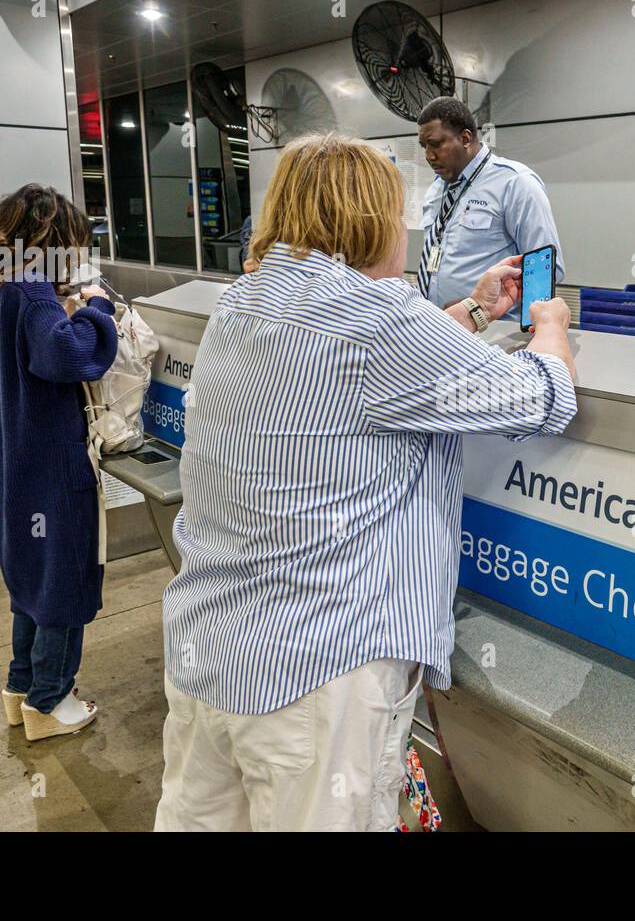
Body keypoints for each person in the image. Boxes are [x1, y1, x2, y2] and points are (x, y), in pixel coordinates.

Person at [155, 133, 578, 832]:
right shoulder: (378, 319)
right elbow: (540, 396)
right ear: (371, 216)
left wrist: (473, 311)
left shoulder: (244, 301)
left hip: (210, 652)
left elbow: (365, 375)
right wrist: (550, 324)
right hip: (319, 678)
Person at [0, 184, 118, 742]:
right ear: (50, 241)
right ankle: (51, 702)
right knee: (63, 580)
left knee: (29, 575)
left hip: (6, 456)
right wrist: (96, 308)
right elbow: (70, 357)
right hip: (50, 461)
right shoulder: (31, 291)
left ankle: (20, 686)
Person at [416, 96, 564, 310]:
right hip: (438, 326)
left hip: (491, 331)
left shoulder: (515, 183)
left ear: (465, 138)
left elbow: (545, 270)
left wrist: (478, 306)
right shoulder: (437, 188)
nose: (429, 156)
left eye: (436, 144)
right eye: (424, 146)